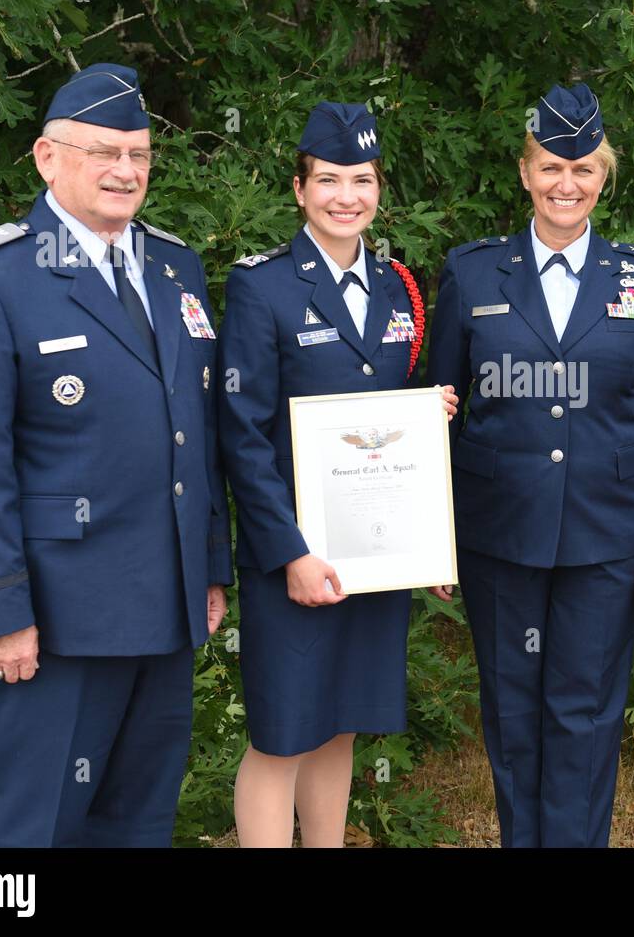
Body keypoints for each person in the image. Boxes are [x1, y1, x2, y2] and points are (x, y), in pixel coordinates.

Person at [0, 63, 233, 847]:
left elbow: (197, 432)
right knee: (35, 826)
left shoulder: (174, 266)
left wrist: (212, 567)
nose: (125, 171)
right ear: (47, 158)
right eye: (103, 152)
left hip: (168, 604)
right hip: (58, 616)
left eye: (139, 154)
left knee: (140, 820)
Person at [426, 82, 634, 847]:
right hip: (496, 532)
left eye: (582, 171)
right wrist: (430, 531)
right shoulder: (473, 274)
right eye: (550, 168)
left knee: (586, 710)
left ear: (603, 178)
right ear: (524, 173)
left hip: (604, 537)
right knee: (511, 707)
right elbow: (440, 409)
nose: (565, 185)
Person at [217, 102, 457, 847]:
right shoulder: (262, 288)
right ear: (299, 189)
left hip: (375, 555)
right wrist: (288, 553)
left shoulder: (398, 288)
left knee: (340, 725)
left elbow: (400, 427)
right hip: (293, 553)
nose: (345, 195)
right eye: (328, 180)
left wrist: (430, 540)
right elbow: (242, 433)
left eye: (361, 179)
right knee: (282, 734)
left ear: (379, 188)